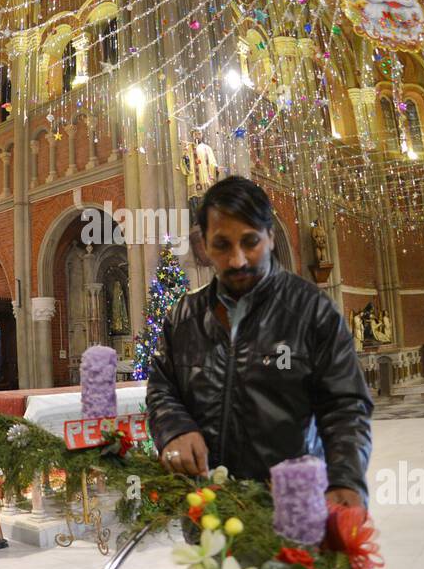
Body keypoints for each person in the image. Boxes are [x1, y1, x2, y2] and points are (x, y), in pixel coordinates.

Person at [147, 175, 373, 507]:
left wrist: (344, 478)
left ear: (269, 237)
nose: (237, 260)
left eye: (249, 242)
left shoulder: (312, 310)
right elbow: (163, 387)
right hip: (211, 509)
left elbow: (345, 406)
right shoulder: (184, 316)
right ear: (205, 246)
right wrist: (174, 429)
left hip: (291, 510)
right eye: (222, 245)